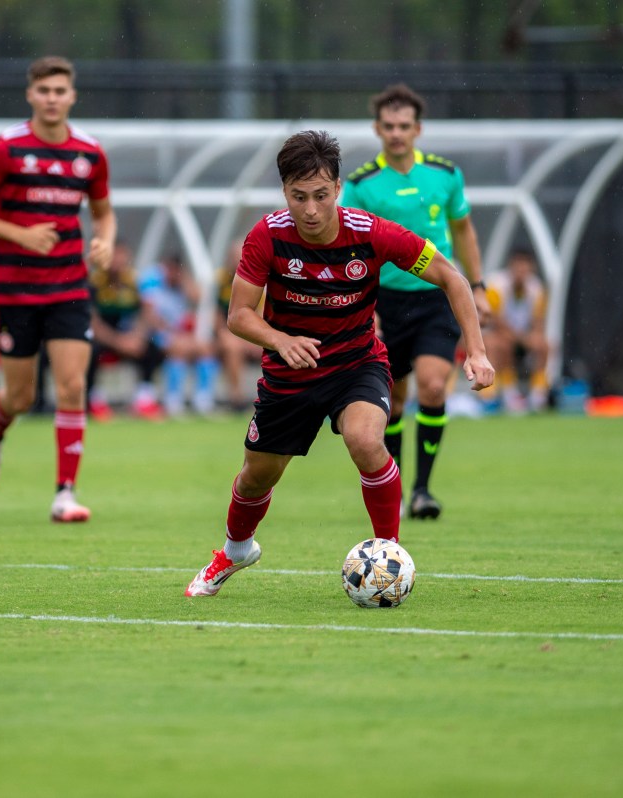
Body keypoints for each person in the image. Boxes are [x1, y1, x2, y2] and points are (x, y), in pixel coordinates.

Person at [184, 130, 493, 598]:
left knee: (366, 438)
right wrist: (280, 340)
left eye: (321, 196)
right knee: (256, 476)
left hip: (357, 363)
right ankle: (236, 548)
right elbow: (238, 316)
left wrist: (477, 351)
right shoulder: (266, 236)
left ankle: (389, 557)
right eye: (298, 196)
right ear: (285, 191)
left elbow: (451, 277)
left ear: (339, 188)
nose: (310, 209)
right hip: (289, 375)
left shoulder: (372, 233)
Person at [0, 55, 116, 522]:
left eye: (59, 91)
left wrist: (104, 242)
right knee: (20, 397)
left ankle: (64, 493)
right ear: (31, 94)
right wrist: (21, 235)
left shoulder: (90, 152)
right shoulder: (5, 149)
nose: (52, 99)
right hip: (13, 288)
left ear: (72, 96)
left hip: (69, 284)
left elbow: (104, 211)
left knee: (72, 386)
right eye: (43, 91)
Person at [342, 83, 491, 521]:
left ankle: (423, 490)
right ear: (377, 129)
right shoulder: (360, 184)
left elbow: (463, 230)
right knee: (395, 397)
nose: (396, 133)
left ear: (418, 128)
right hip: (384, 302)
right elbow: (352, 247)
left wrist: (477, 285)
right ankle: (399, 488)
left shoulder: (445, 174)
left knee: (431, 385)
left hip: (433, 299)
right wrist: (364, 310)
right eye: (388, 126)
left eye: (404, 126)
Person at [86, 242, 163, 421]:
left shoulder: (134, 282)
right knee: (89, 351)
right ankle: (94, 399)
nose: (118, 262)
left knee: (152, 348)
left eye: (122, 257)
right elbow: (93, 322)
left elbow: (146, 313)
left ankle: (144, 398)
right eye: (114, 256)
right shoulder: (94, 283)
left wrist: (136, 336)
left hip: (128, 337)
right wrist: (118, 342)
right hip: (104, 340)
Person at [138, 252, 218, 416]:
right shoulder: (152, 280)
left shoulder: (182, 283)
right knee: (179, 348)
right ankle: (173, 398)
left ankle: (203, 399)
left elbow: (200, 298)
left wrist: (185, 280)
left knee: (206, 348)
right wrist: (172, 333)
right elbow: (150, 317)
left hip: (179, 335)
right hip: (156, 334)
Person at [485, 247, 550, 413]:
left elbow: (538, 322)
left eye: (525, 268)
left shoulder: (536, 288)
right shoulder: (496, 285)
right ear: (511, 267)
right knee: (501, 343)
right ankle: (507, 394)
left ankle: (538, 395)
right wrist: (523, 339)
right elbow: (497, 323)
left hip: (521, 337)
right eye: (518, 268)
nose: (522, 272)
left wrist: (534, 337)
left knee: (544, 345)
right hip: (495, 336)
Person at [215, 239, 263, 412]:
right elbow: (215, 315)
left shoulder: (258, 278)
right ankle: (236, 397)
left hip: (249, 334)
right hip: (226, 335)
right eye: (235, 257)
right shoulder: (220, 281)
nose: (238, 260)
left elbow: (261, 313)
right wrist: (224, 334)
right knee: (232, 347)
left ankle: (277, 397)